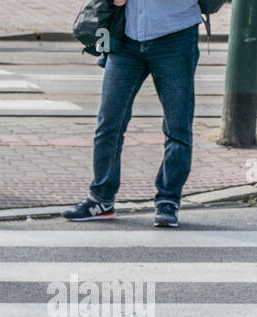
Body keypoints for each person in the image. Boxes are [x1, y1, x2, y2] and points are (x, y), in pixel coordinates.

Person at [63, 0, 202, 228]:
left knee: (177, 126)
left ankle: (169, 199)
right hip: (127, 37)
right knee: (109, 122)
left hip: (176, 37)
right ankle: (101, 199)